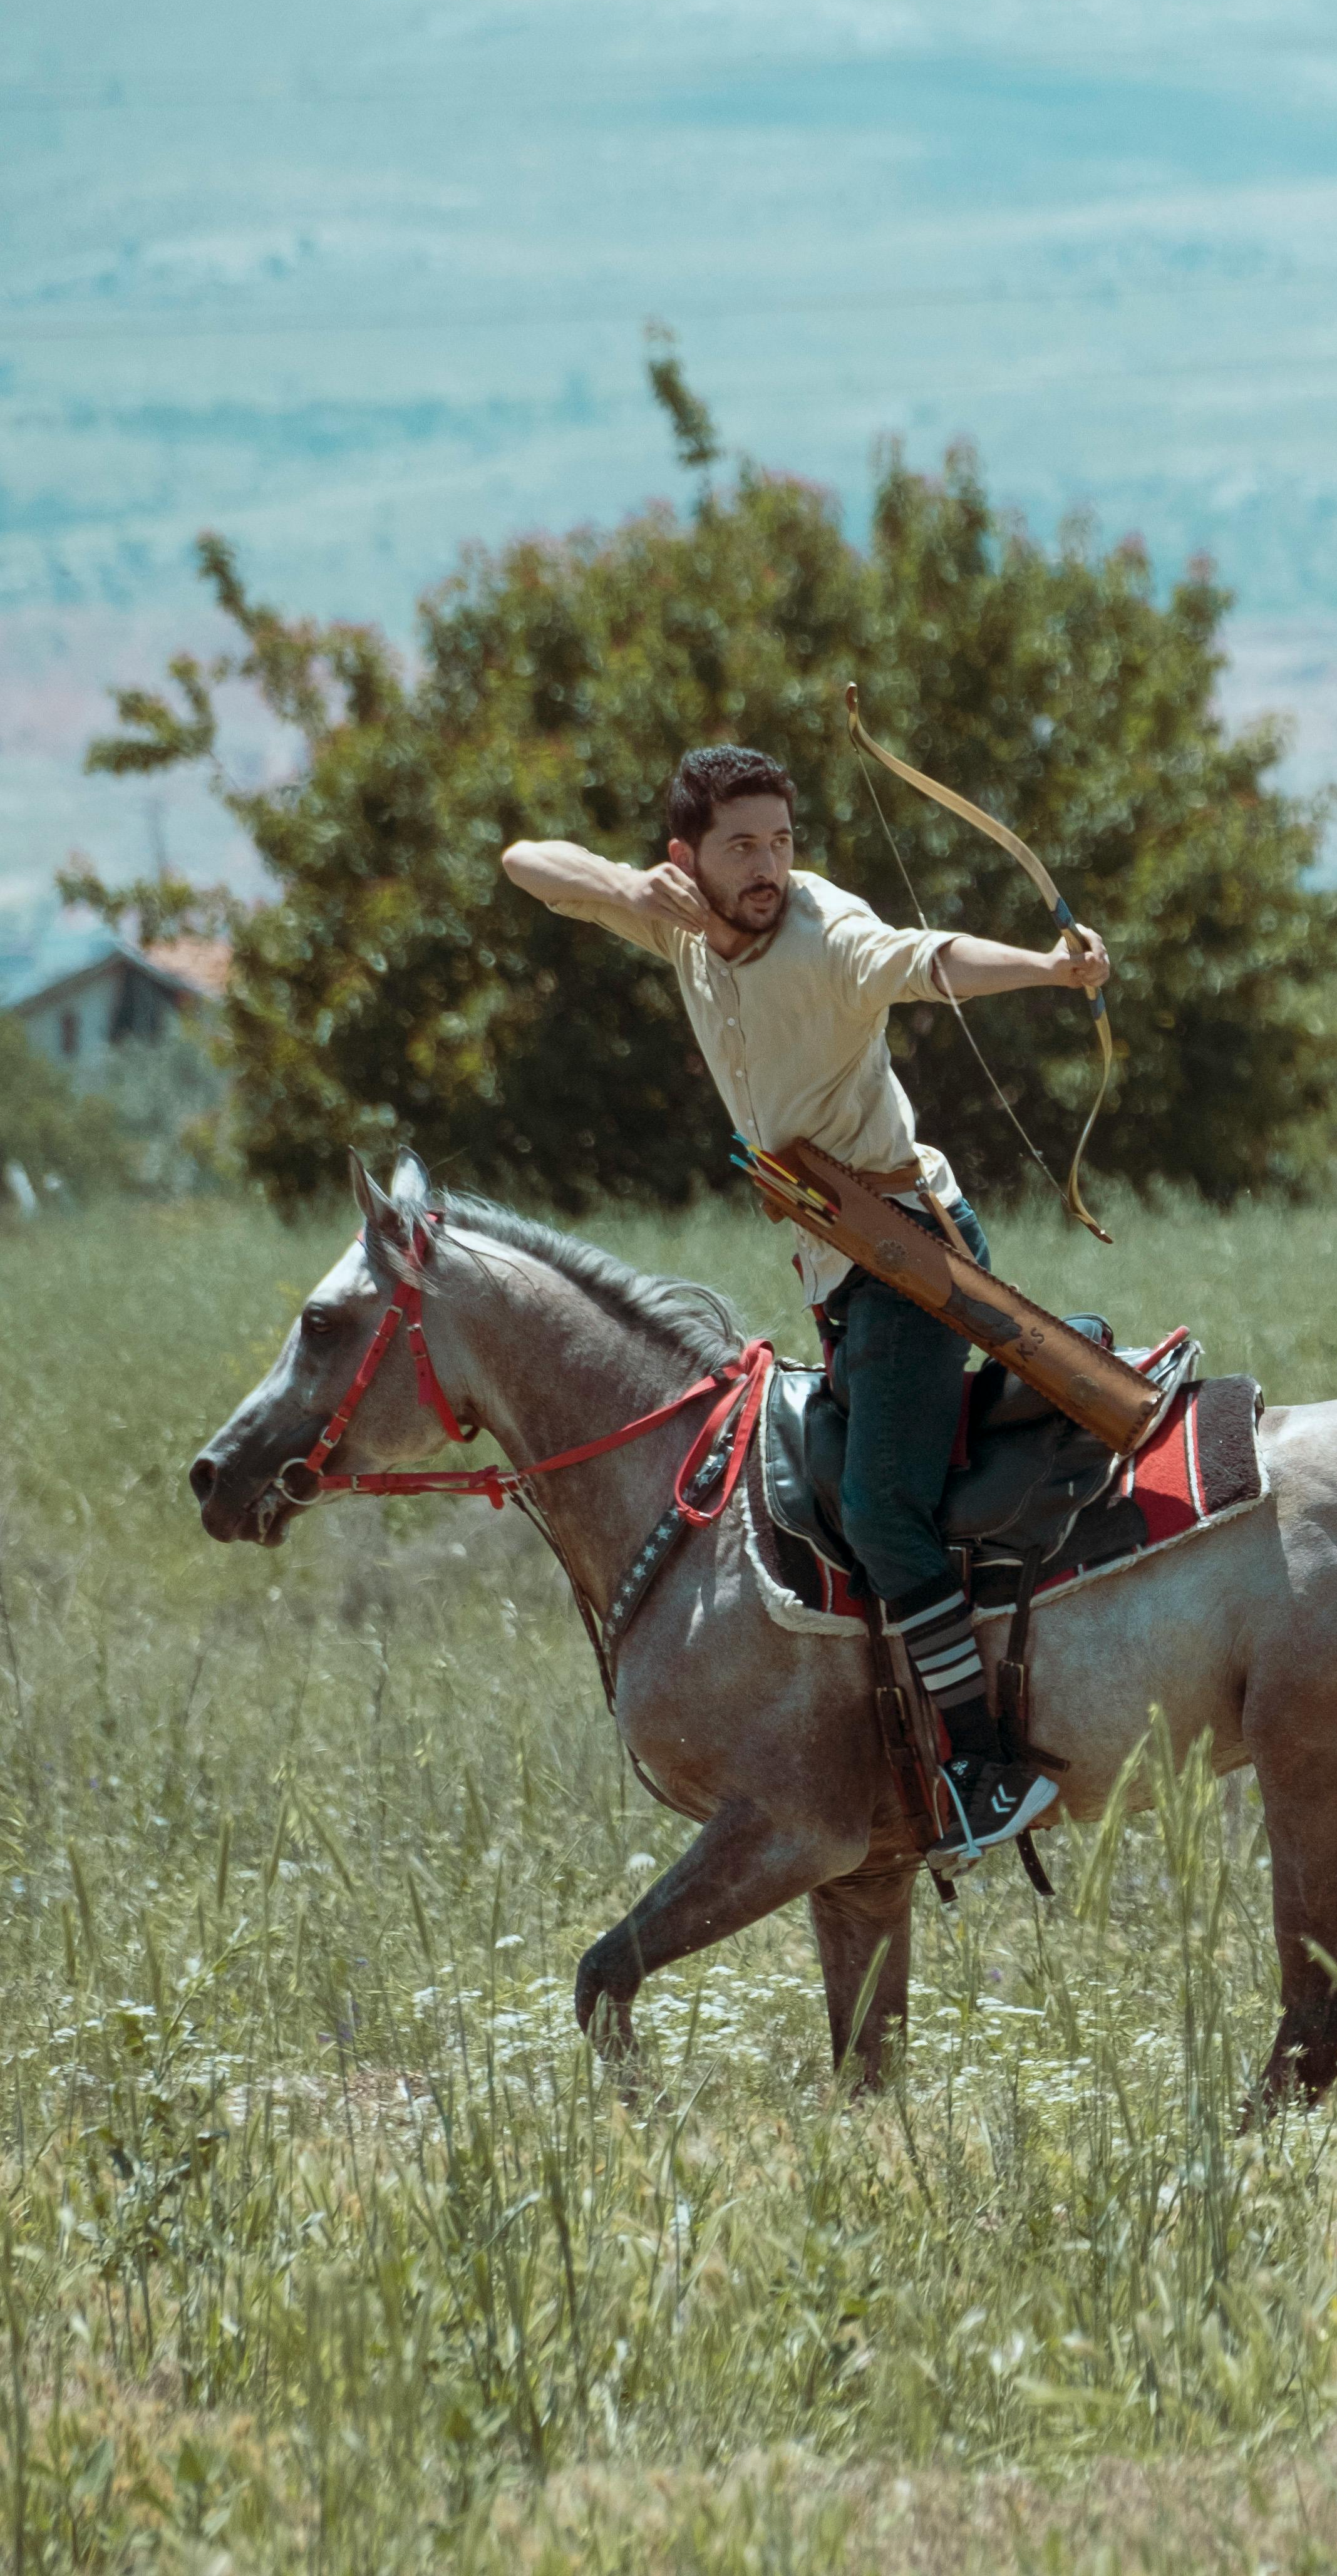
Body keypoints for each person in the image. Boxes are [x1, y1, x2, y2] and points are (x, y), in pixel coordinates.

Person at [500, 744, 1110, 1862]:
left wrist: (1047, 967)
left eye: (782, 841)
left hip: (907, 1253)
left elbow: (931, 960)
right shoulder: (675, 917)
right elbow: (526, 860)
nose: (770, 865)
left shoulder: (828, 934)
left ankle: (983, 1761)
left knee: (880, 1511)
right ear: (688, 858)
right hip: (838, 1261)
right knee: (842, 1485)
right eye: (744, 845)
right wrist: (631, 892)